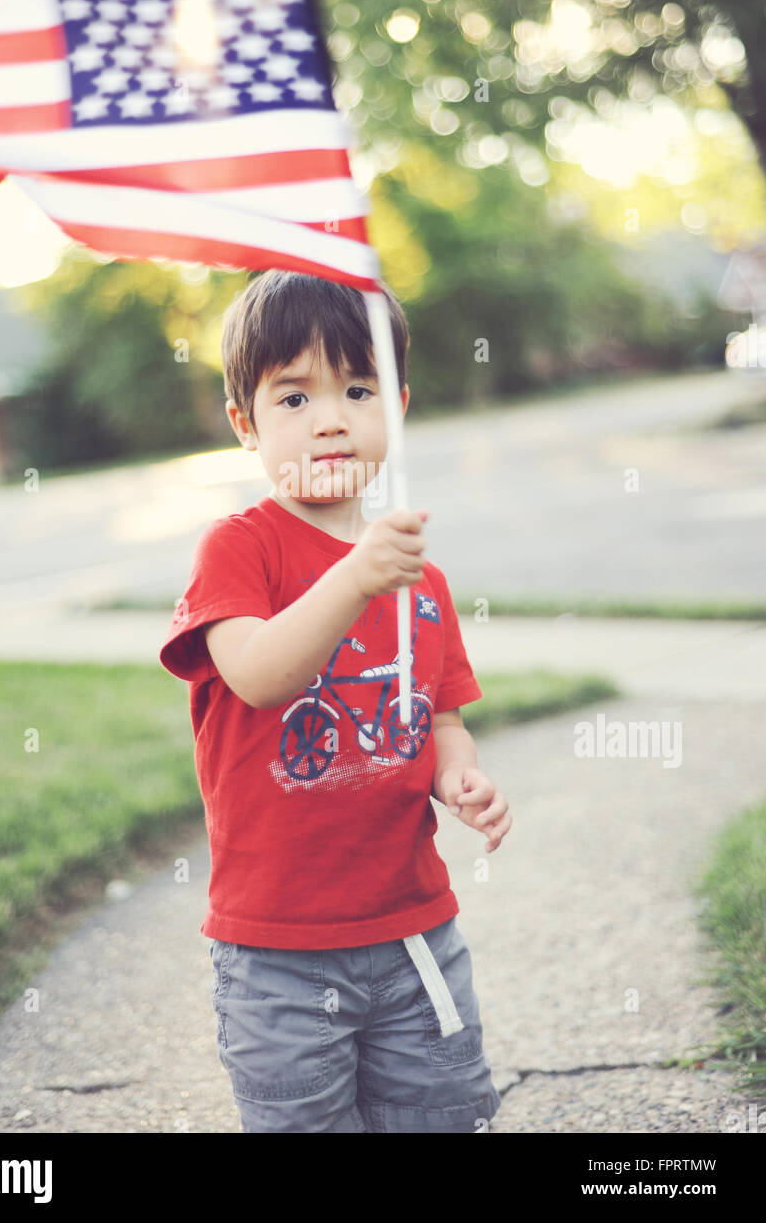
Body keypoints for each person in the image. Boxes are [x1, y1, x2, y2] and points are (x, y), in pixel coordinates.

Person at [159, 268, 511, 1133]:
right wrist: (355, 580)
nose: (328, 418)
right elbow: (259, 673)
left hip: (412, 933)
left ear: (395, 407)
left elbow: (438, 716)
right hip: (277, 953)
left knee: (440, 1117)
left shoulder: (416, 578)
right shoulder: (239, 551)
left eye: (358, 389)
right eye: (292, 397)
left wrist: (458, 777)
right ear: (244, 423)